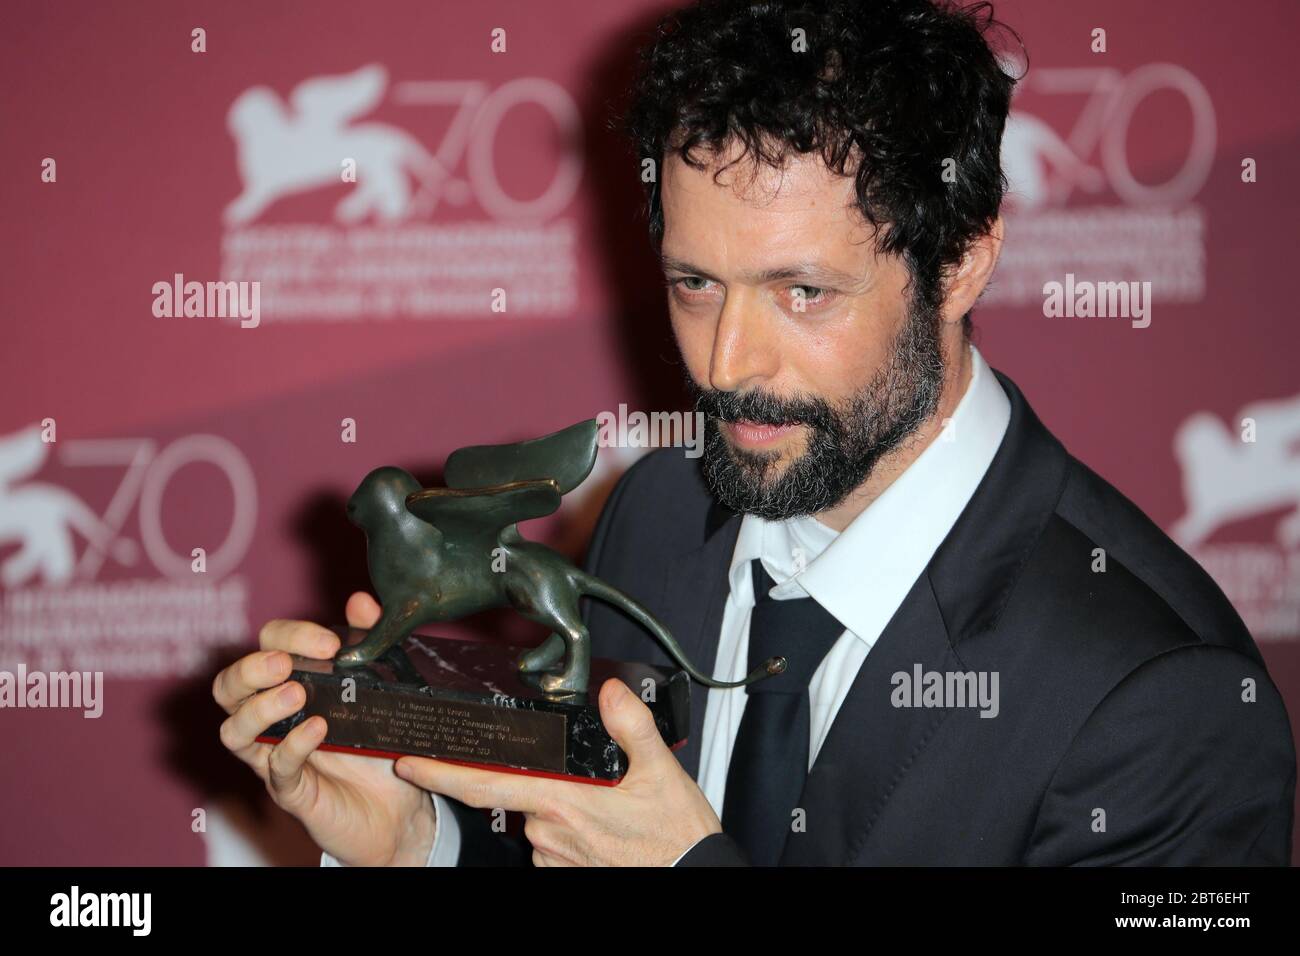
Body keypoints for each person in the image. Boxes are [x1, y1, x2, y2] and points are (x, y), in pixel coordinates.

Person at [211, 0, 1296, 866]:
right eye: (694, 282)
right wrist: (422, 842)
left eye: (803, 291)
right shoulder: (662, 514)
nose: (728, 363)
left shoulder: (1164, 703)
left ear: (960, 261)